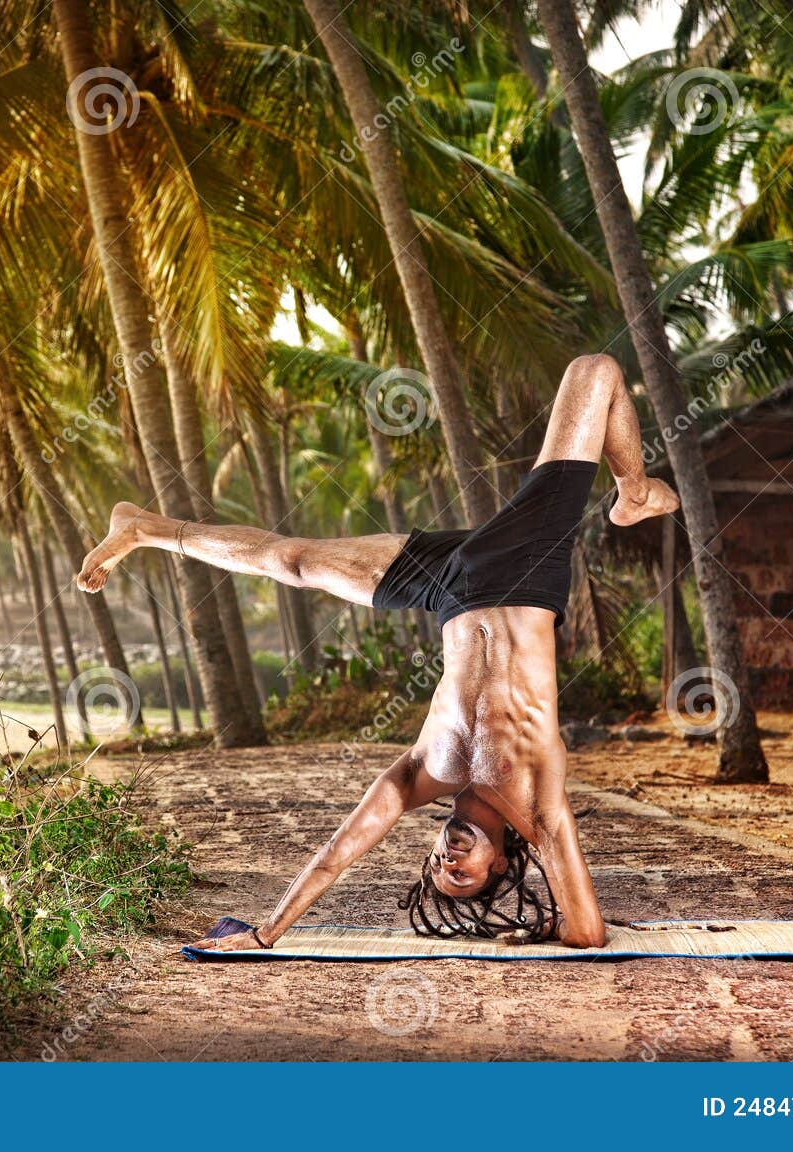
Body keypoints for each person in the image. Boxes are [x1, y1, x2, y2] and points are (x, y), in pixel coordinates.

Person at [76, 354, 678, 949]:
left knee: (295, 562)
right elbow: (587, 931)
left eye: (438, 865)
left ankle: (144, 528)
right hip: (525, 569)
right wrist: (541, 924)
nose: (449, 857)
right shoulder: (537, 804)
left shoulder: (423, 772)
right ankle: (636, 490)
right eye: (462, 875)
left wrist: (265, 934)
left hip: (453, 589)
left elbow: (338, 850)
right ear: (499, 866)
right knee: (593, 371)